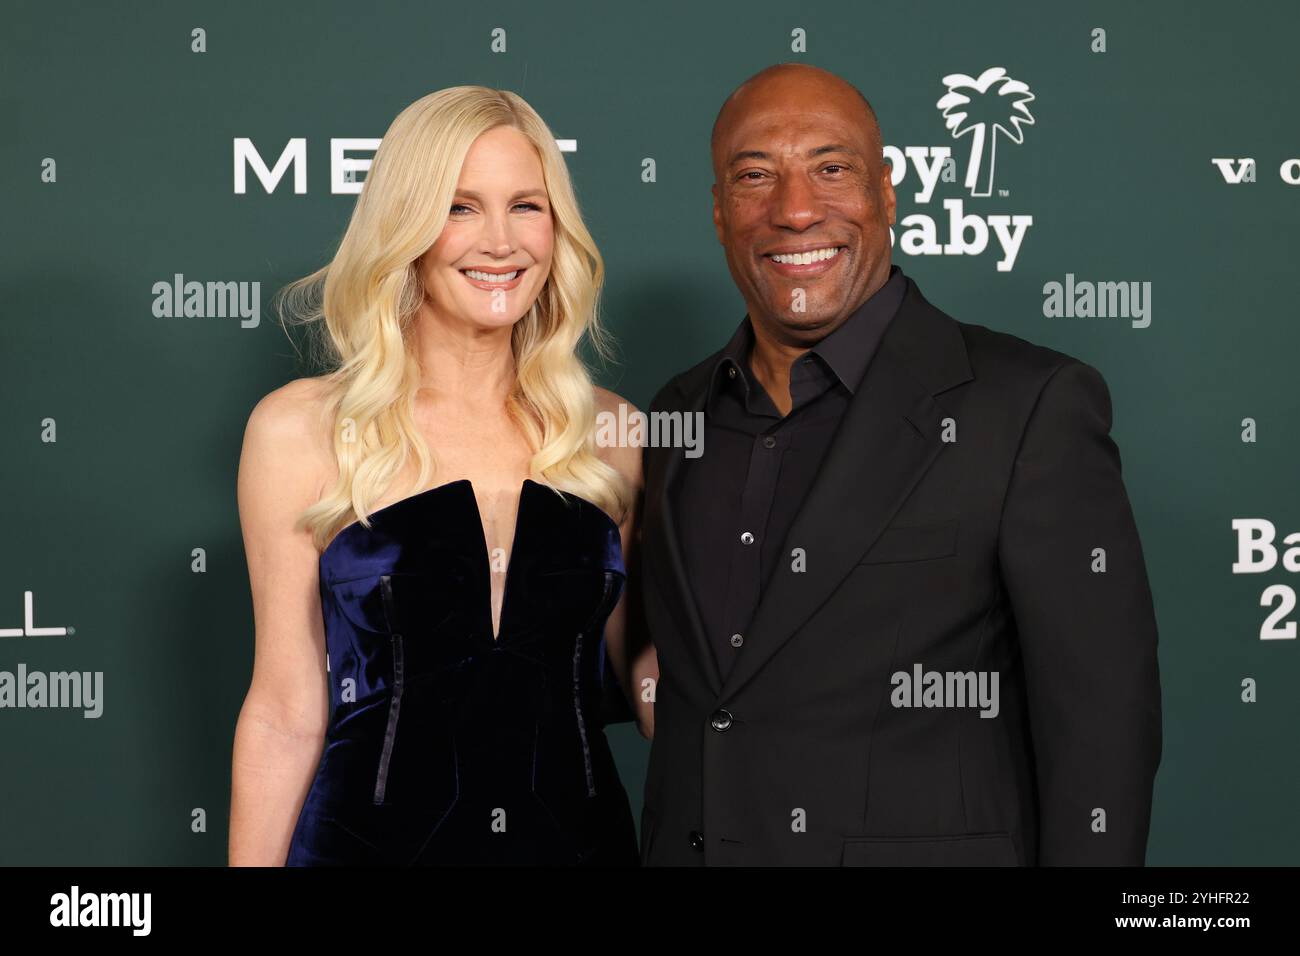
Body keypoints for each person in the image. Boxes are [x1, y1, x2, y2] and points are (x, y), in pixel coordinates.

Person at [638, 63, 1162, 866]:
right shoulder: (676, 415)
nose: (796, 210)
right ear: (718, 211)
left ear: (887, 192)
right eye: (755, 177)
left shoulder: (1025, 407)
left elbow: (1102, 727)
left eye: (831, 168)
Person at [229, 86, 654, 866]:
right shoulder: (299, 431)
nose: (500, 241)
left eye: (527, 205)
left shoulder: (612, 432)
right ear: (407, 227)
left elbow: (647, 678)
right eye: (460, 208)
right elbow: (285, 710)